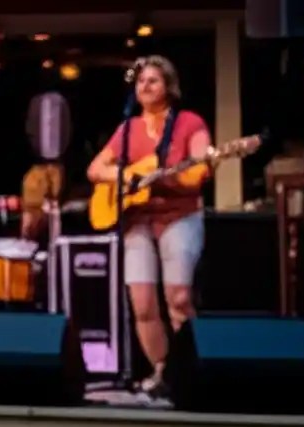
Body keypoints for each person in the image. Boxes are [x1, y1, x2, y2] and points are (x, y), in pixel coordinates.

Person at [86, 55, 213, 397]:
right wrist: (129, 176)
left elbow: (199, 171)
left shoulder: (189, 123)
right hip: (137, 219)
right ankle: (161, 372)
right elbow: (95, 169)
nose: (145, 86)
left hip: (179, 216)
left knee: (179, 298)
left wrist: (165, 180)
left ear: (169, 87)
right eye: (141, 81)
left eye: (153, 80)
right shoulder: (128, 129)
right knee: (142, 303)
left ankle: (195, 369)